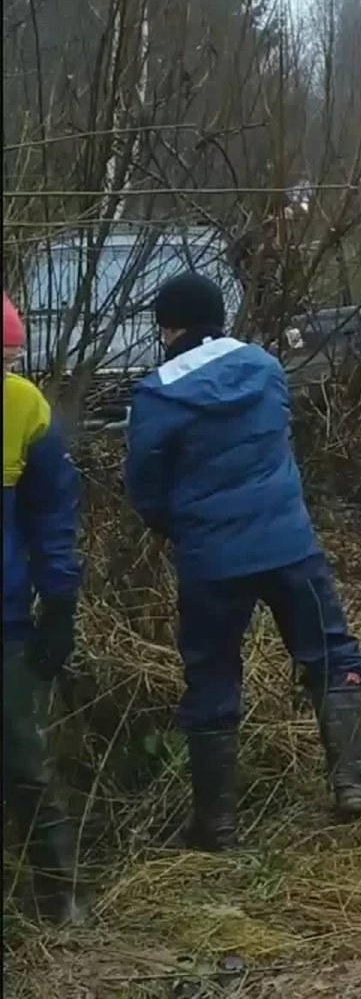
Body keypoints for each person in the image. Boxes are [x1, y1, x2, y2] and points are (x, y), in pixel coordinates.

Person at [125, 273, 361, 850]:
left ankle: (216, 823)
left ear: (167, 327)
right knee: (327, 650)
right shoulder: (266, 367)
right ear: (219, 317)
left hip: (210, 557)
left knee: (212, 675)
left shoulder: (155, 393)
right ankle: (352, 777)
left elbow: (145, 487)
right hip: (288, 543)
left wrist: (184, 529)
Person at [2, 294, 88, 924]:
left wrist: (59, 601)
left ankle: (60, 897)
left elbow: (53, 514)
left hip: (6, 618)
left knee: (26, 761)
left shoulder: (24, 406)